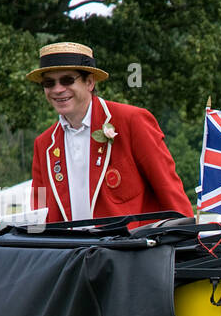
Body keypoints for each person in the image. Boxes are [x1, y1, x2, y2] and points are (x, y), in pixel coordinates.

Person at [27, 42, 193, 226]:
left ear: (89, 82)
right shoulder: (43, 144)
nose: (58, 89)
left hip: (132, 250)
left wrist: (189, 238)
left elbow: (169, 189)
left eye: (67, 80)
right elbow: (39, 213)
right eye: (49, 83)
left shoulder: (132, 121)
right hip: (72, 252)